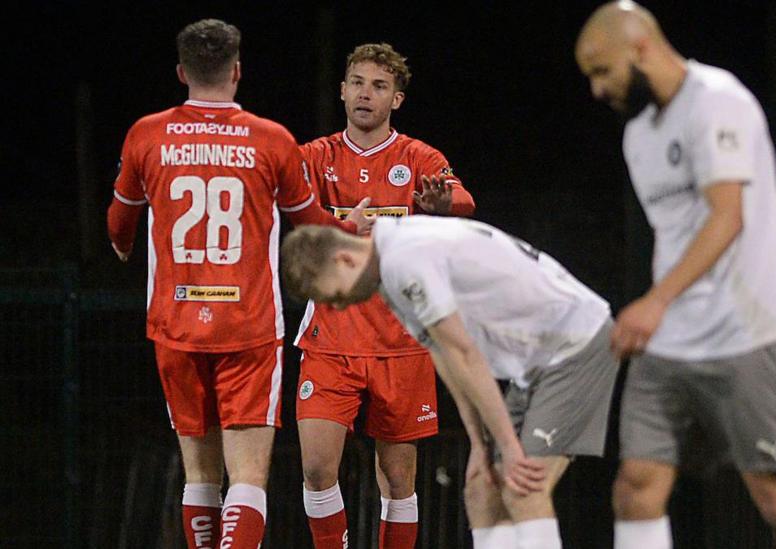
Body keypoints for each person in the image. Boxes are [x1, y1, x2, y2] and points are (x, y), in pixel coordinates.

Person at [575, 2, 776, 548]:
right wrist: (662, 310)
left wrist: (653, 302)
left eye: (602, 71)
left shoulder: (717, 101)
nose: (597, 89)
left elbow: (727, 218)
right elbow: (676, 233)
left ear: (641, 49)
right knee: (636, 486)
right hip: (671, 340)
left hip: (748, 330)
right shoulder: (639, 136)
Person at [105, 19, 371, 549]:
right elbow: (311, 222)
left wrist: (123, 245)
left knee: (199, 475)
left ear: (182, 72)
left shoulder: (147, 134)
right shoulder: (271, 140)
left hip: (175, 325)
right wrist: (352, 228)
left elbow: (118, 223)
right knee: (247, 475)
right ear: (237, 71)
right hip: (248, 328)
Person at [279, 217, 619, 549]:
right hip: (535, 363)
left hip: (576, 343)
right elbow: (445, 356)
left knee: (521, 486)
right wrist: (480, 443)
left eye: (337, 295)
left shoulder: (405, 258)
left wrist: (509, 448)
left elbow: (465, 353)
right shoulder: (389, 265)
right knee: (481, 489)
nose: (341, 305)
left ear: (344, 259)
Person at [294, 43, 475, 549]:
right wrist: (337, 223)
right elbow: (277, 204)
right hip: (330, 336)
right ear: (343, 91)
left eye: (378, 86)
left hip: (400, 339)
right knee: (314, 467)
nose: (365, 94)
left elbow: (462, 198)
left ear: (396, 99)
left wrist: (442, 204)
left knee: (398, 480)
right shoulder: (315, 156)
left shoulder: (418, 157)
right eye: (357, 82)